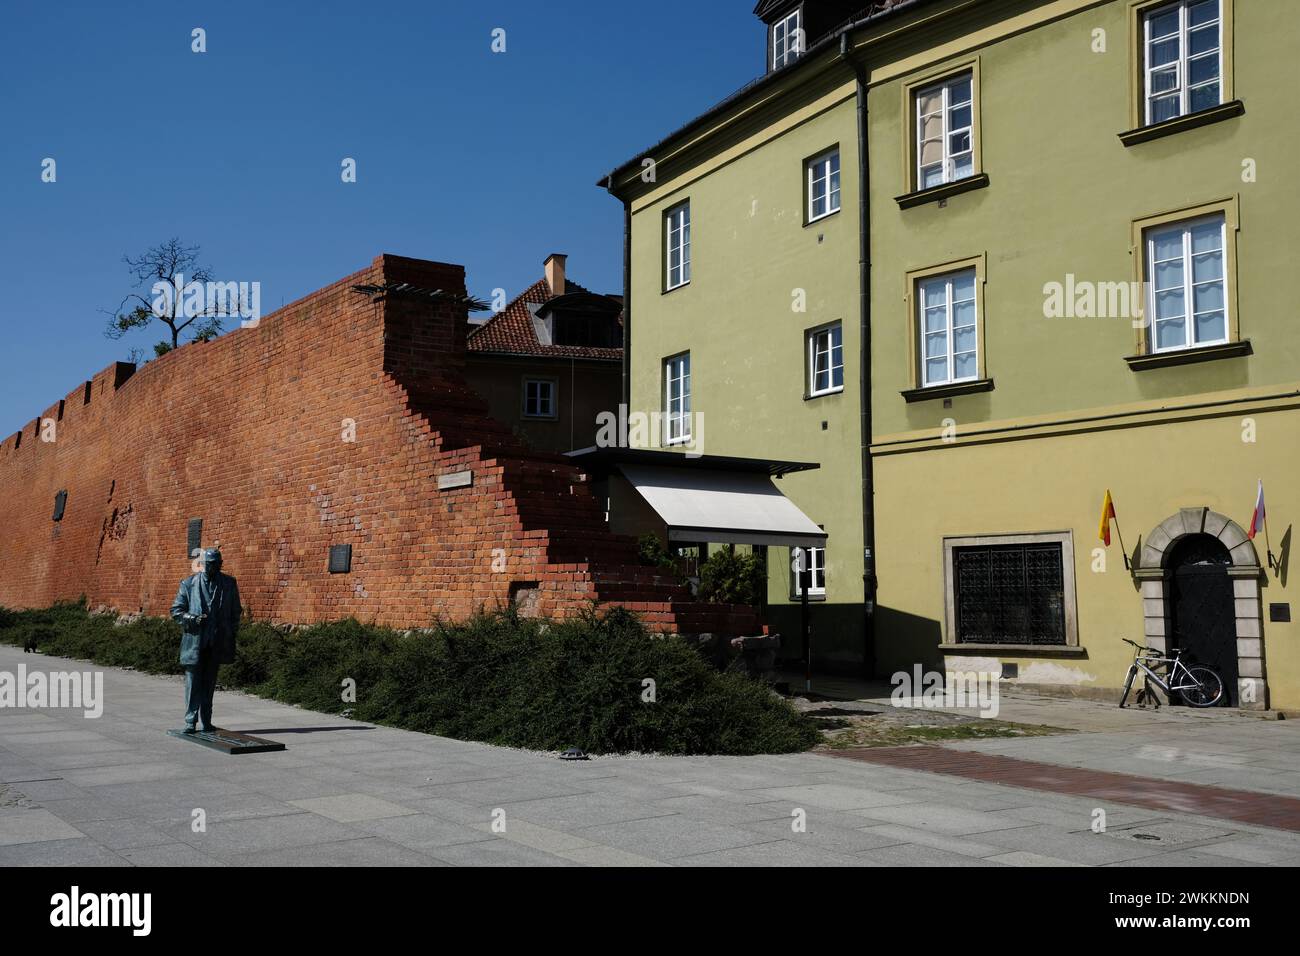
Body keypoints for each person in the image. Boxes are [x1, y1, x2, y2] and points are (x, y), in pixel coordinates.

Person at [170, 547, 241, 733]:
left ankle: (207, 721)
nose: (214, 568)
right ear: (203, 564)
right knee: (193, 684)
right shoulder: (188, 584)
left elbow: (235, 612)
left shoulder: (229, 584)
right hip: (195, 642)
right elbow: (176, 611)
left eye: (218, 564)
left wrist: (231, 632)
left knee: (209, 685)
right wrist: (192, 619)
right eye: (210, 564)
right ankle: (190, 721)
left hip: (216, 643)